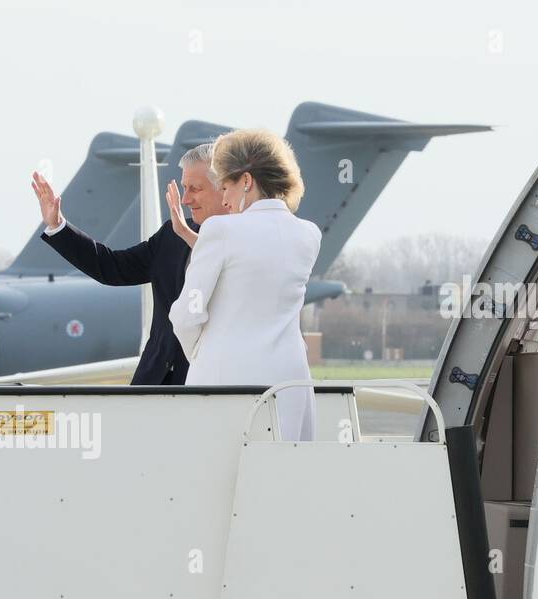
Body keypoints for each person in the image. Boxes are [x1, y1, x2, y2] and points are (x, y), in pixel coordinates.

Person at [168, 129, 321, 440]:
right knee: (283, 476)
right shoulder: (308, 235)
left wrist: (201, 353)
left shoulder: (220, 230)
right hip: (290, 382)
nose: (223, 198)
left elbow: (185, 315)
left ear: (247, 181)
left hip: (224, 382)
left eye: (225, 186)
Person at [30, 144, 226, 385]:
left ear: (225, 188)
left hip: (214, 388)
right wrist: (58, 225)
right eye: (184, 188)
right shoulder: (171, 236)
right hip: (154, 386)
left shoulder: (248, 245)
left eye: (195, 189)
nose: (185, 199)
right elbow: (112, 267)